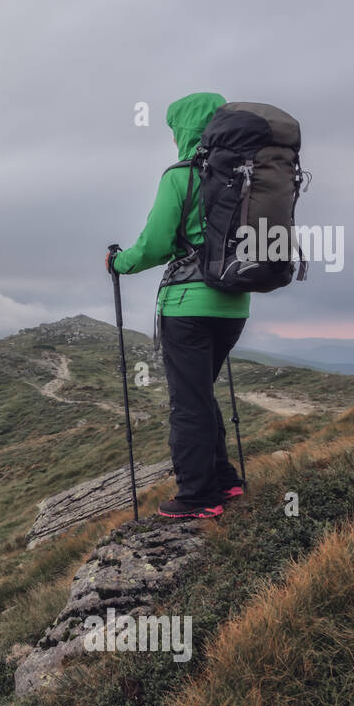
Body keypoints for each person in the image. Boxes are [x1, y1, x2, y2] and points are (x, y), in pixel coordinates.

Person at [104, 91, 247, 519]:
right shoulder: (246, 177)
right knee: (200, 393)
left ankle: (197, 496)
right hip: (235, 306)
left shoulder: (181, 176)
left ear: (185, 129)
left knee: (187, 403)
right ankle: (226, 480)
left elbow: (154, 245)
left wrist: (119, 262)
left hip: (187, 306)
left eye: (174, 131)